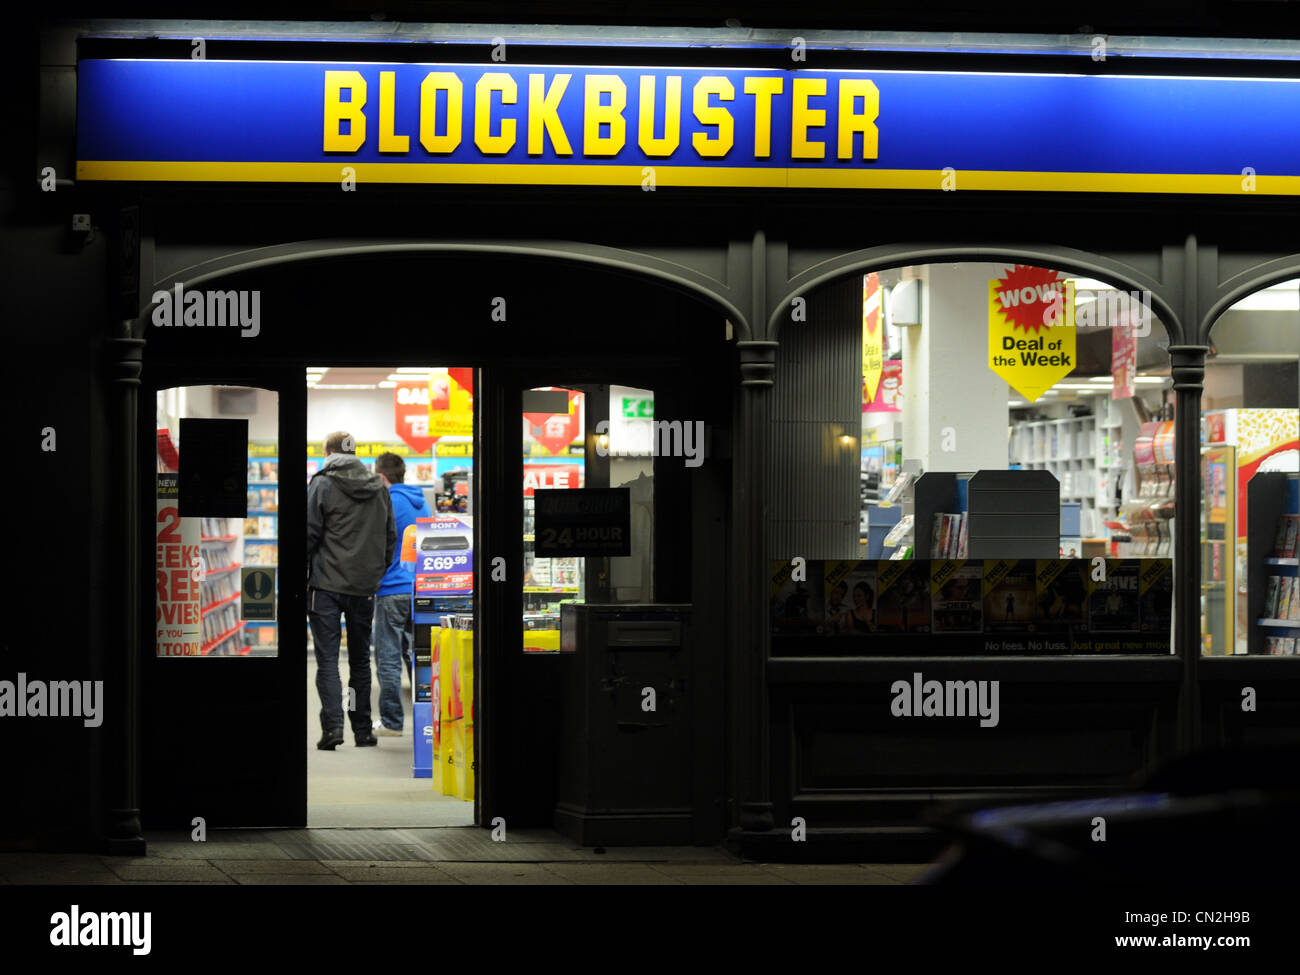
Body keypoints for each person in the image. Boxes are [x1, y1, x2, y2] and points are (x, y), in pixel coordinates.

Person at [307, 432, 396, 750]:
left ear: (327, 452)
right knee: (360, 660)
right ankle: (362, 729)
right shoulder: (378, 488)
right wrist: (375, 574)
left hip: (326, 586)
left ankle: (332, 729)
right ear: (356, 454)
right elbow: (390, 537)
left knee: (328, 660)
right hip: (363, 588)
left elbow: (309, 534)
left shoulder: (321, 484)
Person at [371, 452, 431, 737]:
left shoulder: (386, 501)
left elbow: (376, 545)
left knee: (388, 657)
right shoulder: (423, 503)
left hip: (392, 588)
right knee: (420, 656)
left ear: (382, 476)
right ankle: (430, 719)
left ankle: (393, 722)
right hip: (419, 587)